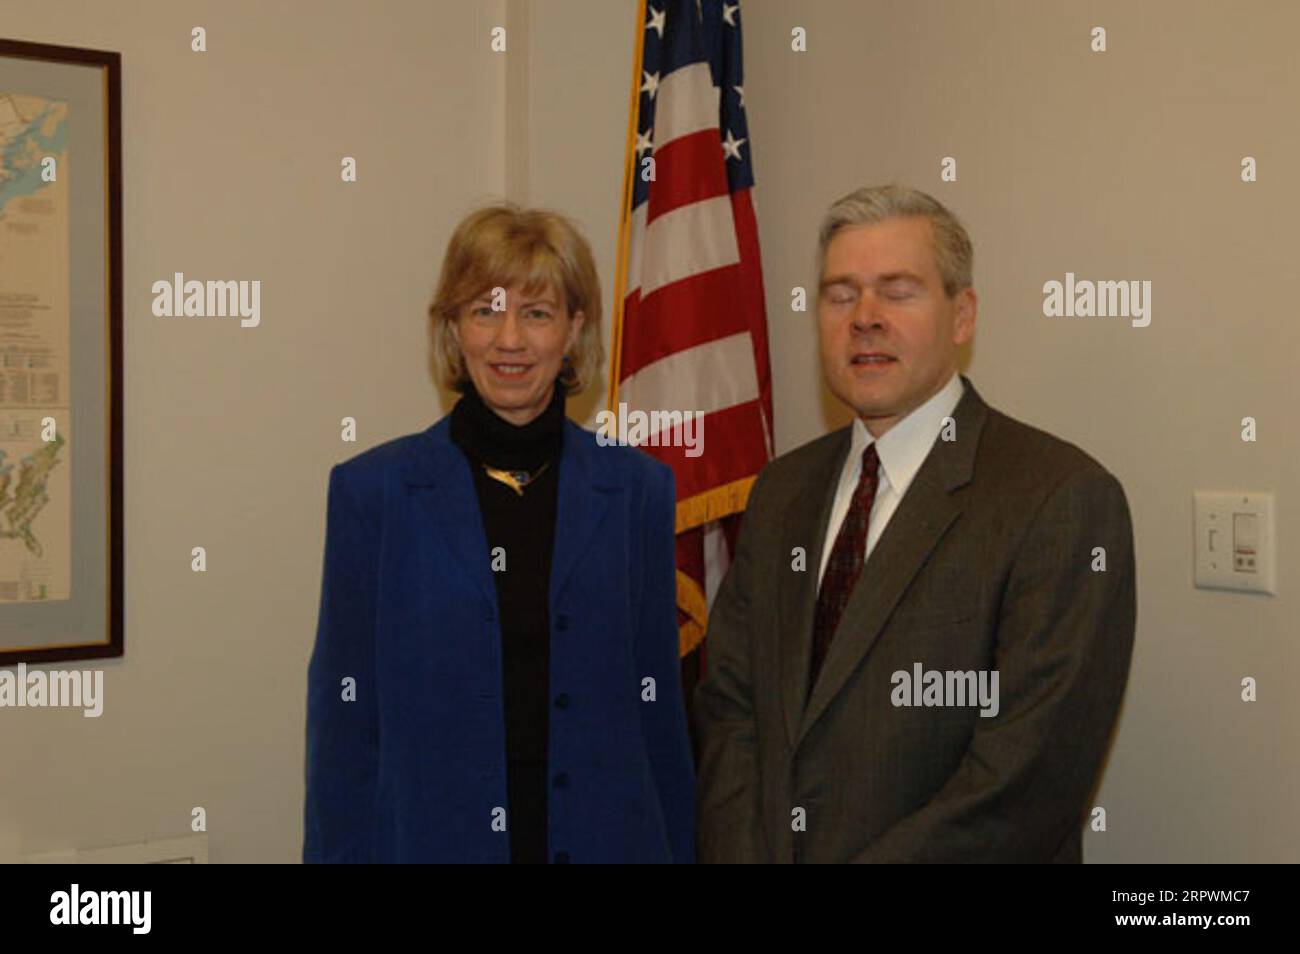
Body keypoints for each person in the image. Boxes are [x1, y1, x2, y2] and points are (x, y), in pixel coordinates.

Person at [694, 184, 1136, 863]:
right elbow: (730, 708)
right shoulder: (782, 492)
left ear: (963, 317)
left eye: (897, 291)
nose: (864, 318)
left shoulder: (1060, 498)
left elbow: (1025, 781)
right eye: (841, 294)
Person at [304, 203, 695, 863]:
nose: (509, 340)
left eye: (537, 313)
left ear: (574, 329)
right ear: (453, 327)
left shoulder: (637, 494)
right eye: (485, 310)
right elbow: (344, 730)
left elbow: (660, 722)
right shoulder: (373, 494)